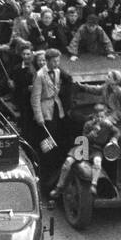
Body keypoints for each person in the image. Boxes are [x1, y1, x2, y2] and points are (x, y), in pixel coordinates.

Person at [31, 48, 68, 189]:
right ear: (47, 61)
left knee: (55, 139)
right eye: (54, 61)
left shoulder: (58, 72)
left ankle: (53, 170)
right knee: (47, 143)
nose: (57, 63)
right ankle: (44, 171)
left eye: (58, 61)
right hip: (45, 111)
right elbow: (35, 99)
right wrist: (39, 117)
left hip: (56, 109)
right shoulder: (40, 75)